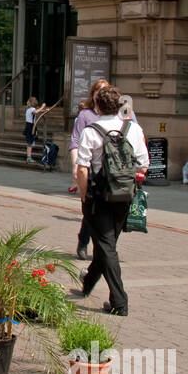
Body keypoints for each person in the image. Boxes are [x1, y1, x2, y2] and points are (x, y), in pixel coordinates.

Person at [73, 86, 149, 317]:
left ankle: (119, 301)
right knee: (106, 244)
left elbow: (83, 170)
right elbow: (143, 164)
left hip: (99, 196)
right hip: (125, 196)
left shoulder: (91, 131)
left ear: (96, 106)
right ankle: (87, 284)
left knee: (107, 247)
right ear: (119, 105)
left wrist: (84, 195)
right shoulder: (133, 129)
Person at [69, 78, 112, 260]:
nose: (101, 94)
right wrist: (75, 167)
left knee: (108, 212)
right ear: (93, 94)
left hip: (111, 172)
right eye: (98, 91)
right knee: (90, 210)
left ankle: (103, 248)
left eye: (105, 90)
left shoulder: (116, 115)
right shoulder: (85, 116)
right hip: (91, 171)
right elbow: (75, 141)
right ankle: (84, 242)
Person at [25, 96, 48, 162]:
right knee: (30, 143)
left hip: (29, 126)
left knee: (30, 143)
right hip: (30, 127)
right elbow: (36, 112)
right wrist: (43, 107)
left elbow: (37, 111)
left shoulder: (29, 109)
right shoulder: (32, 109)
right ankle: (29, 158)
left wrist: (44, 110)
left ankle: (29, 157)